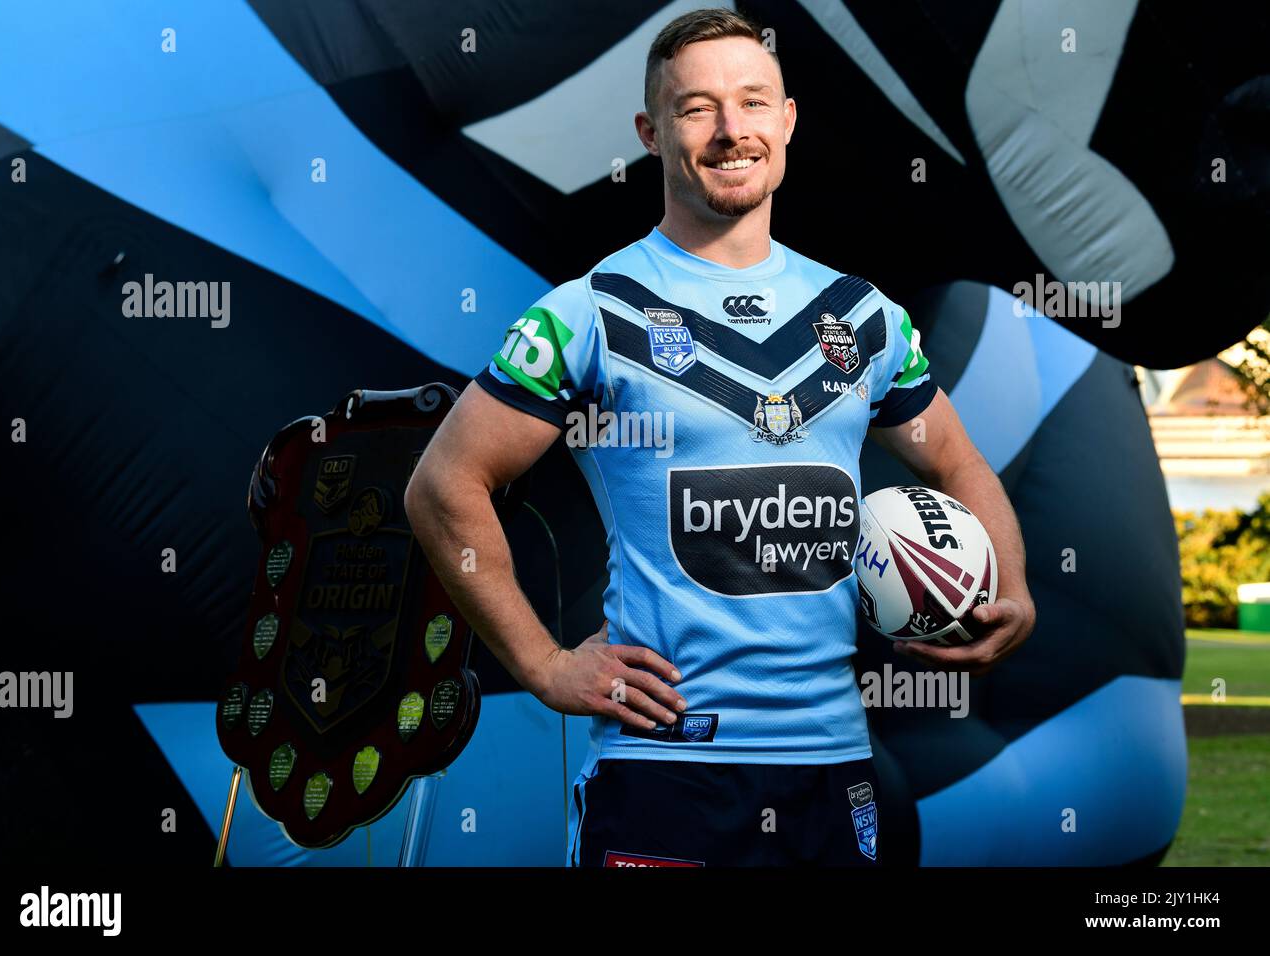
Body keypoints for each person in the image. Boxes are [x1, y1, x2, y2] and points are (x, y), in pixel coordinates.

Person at [403, 7, 1035, 866]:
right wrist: (545, 666)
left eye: (752, 102)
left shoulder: (863, 318)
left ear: (787, 121)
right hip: (664, 771)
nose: (731, 129)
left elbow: (958, 461)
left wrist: (1014, 587)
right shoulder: (589, 313)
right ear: (651, 133)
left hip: (833, 770)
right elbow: (444, 486)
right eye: (697, 108)